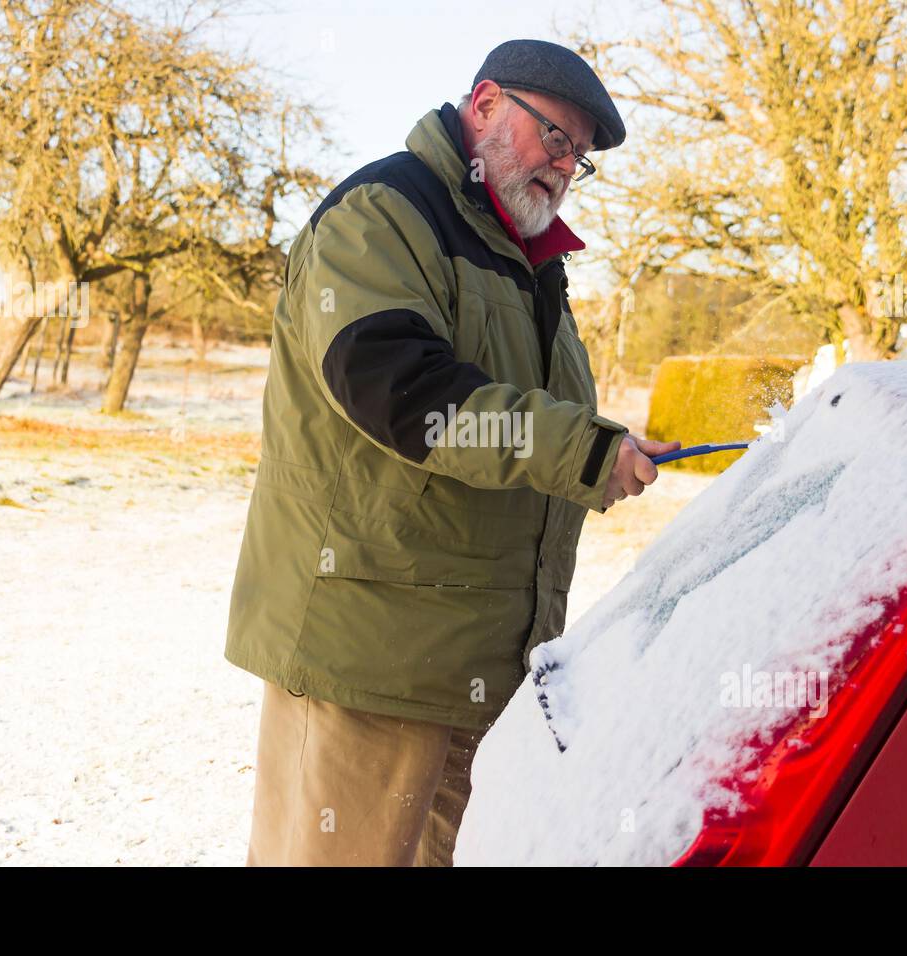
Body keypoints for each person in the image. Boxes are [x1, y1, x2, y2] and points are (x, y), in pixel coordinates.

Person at [225, 38, 680, 866]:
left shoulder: (528, 264)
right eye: (556, 137)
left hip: (479, 678)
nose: (565, 165)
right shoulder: (384, 214)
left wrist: (606, 446)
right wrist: (578, 449)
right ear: (485, 104)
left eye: (579, 155)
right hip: (369, 663)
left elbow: (525, 419)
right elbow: (402, 391)